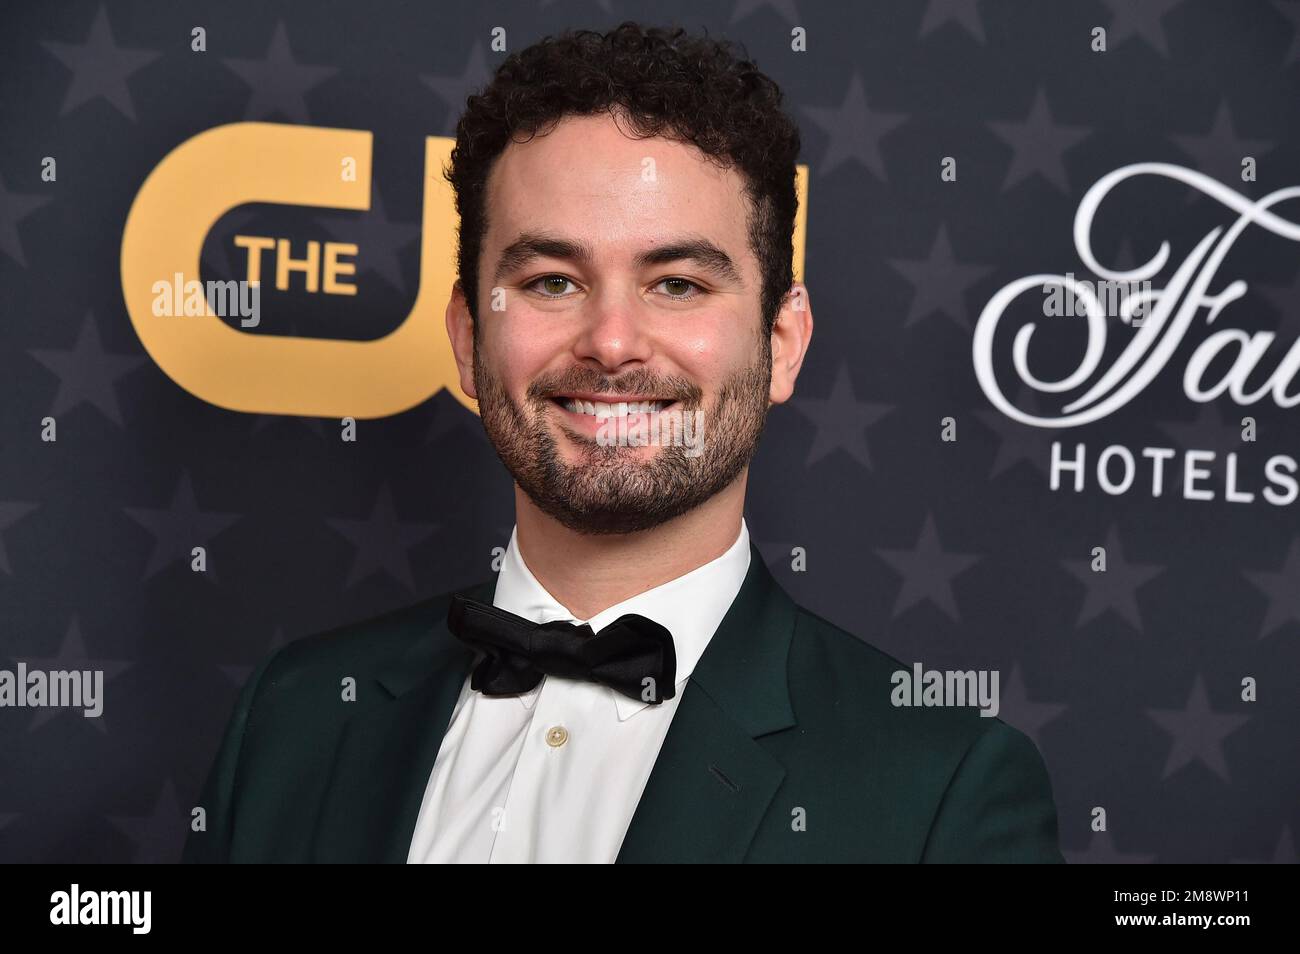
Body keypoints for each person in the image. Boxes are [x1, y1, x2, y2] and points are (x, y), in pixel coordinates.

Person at [183, 22, 1063, 864]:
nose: (611, 342)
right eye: (552, 280)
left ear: (782, 343)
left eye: (677, 284)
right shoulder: (292, 719)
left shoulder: (941, 787)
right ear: (465, 336)